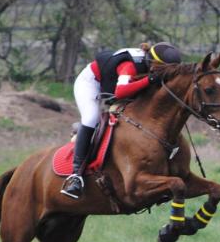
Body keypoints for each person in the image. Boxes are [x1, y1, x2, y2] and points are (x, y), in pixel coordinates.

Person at [61, 41, 184, 199]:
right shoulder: (130, 65)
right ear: (154, 64)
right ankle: (76, 175)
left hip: (115, 85)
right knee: (91, 118)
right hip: (92, 82)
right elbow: (120, 92)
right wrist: (149, 80)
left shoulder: (153, 68)